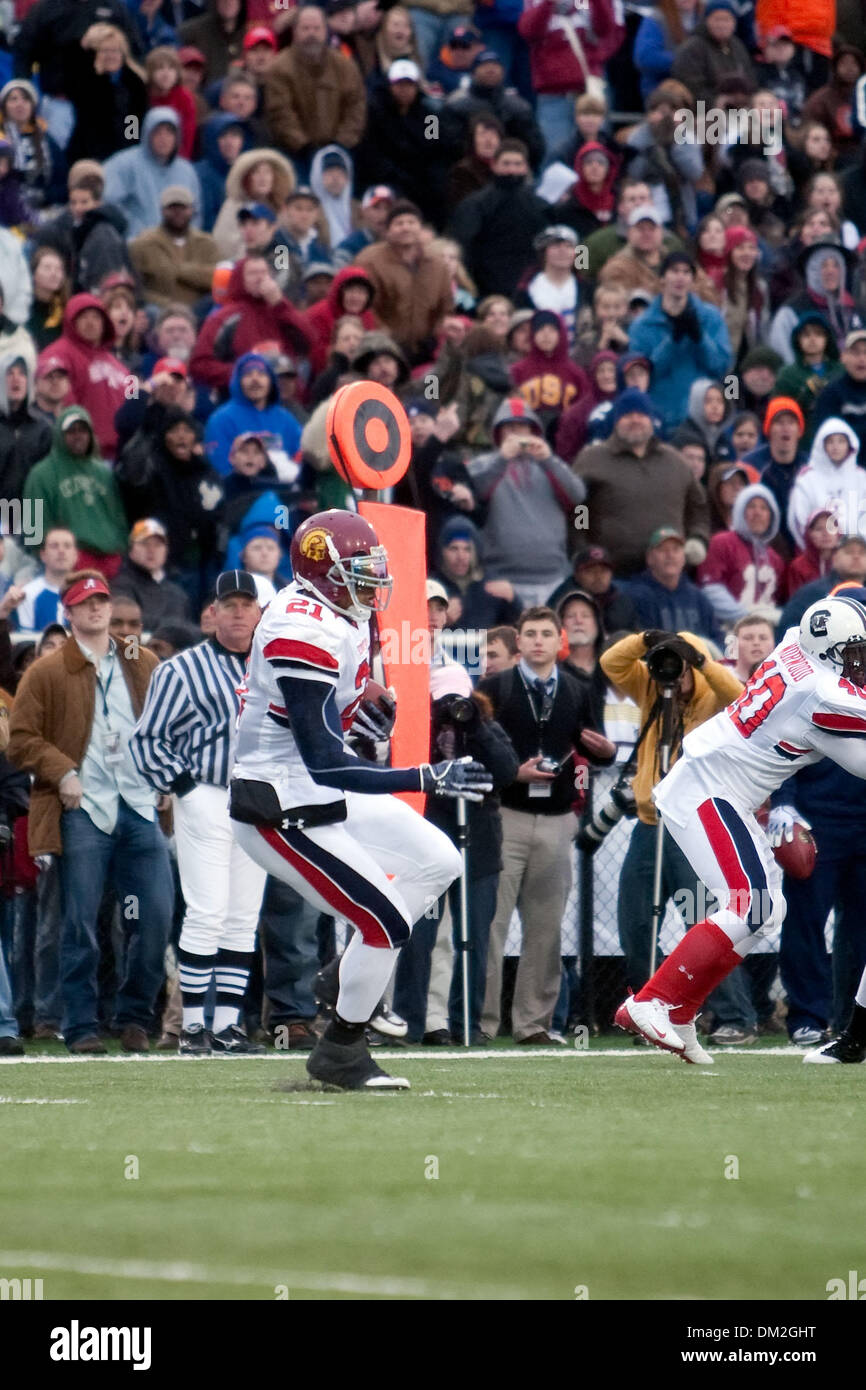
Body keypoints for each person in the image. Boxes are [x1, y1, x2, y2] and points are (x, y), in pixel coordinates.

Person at [227, 509, 492, 1090]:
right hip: (279, 804)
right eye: (359, 571)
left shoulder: (336, 615)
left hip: (315, 787)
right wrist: (424, 776)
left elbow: (331, 728)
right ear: (324, 571)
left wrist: (360, 714)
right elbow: (324, 757)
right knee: (387, 922)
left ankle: (345, 976)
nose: (373, 584)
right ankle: (342, 1051)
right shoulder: (303, 629)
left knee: (440, 860)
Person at [614, 592, 866, 1063]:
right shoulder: (820, 690)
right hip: (708, 790)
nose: (858, 663)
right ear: (830, 650)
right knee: (751, 904)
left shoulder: (795, 642)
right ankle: (651, 1000)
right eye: (853, 653)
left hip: (723, 789)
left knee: (768, 910)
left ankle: (681, 1009)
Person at [8, 570, 173, 1054]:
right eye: (86, 603)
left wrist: (162, 774)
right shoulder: (46, 671)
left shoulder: (141, 661)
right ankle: (80, 1025)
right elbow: (21, 741)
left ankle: (134, 1016)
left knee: (154, 917)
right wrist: (62, 771)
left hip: (140, 805)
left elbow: (164, 727)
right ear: (69, 613)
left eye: (102, 600)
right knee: (79, 922)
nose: (97, 609)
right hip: (84, 809)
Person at [130, 569, 266, 1054]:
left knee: (242, 916)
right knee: (207, 911)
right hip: (206, 791)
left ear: (259, 611)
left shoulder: (272, 668)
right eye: (228, 604)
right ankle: (191, 1028)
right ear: (211, 612)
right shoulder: (180, 670)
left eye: (246, 604)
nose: (238, 612)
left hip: (258, 797)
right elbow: (145, 740)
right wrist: (183, 786)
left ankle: (227, 1027)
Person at [600, 628, 750, 1054]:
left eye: (677, 662)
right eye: (666, 662)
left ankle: (736, 1017)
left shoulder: (711, 697)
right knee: (635, 924)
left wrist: (699, 660)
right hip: (650, 824)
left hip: (694, 827)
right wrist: (647, 640)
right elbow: (611, 663)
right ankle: (651, 1013)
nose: (671, 670)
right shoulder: (651, 688)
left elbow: (739, 693)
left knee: (705, 924)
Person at [478, 605, 615, 1043]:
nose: (537, 641)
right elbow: (475, 752)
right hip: (505, 815)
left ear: (560, 641)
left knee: (545, 928)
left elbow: (591, 745)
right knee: (492, 923)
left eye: (545, 634)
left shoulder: (578, 689)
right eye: (530, 633)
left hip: (557, 820)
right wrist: (512, 773)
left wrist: (608, 753)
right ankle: (479, 1022)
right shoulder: (494, 688)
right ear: (518, 641)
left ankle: (533, 1024)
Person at [572, 389, 710, 576]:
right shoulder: (592, 459)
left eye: (641, 414)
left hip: (667, 577)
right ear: (616, 420)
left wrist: (697, 538)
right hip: (612, 576)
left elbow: (698, 506)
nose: (635, 419)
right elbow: (579, 508)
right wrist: (582, 547)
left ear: (651, 420)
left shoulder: (675, 461)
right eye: (628, 414)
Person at [467, 396, 587, 608]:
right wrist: (501, 459)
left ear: (533, 432)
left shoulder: (550, 464)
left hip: (554, 578)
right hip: (502, 579)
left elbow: (578, 496)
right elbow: (474, 493)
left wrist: (549, 460)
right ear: (498, 433)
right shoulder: (482, 464)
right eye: (509, 427)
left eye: (522, 427)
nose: (516, 434)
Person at [628, 252, 732, 433]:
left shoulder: (710, 317)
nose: (680, 278)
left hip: (701, 420)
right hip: (661, 418)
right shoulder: (642, 325)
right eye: (674, 271)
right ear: (662, 278)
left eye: (686, 272)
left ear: (692, 280)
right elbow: (642, 377)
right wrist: (672, 342)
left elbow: (722, 367)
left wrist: (700, 338)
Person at [23, 406, 128, 579]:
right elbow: (31, 527)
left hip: (110, 561)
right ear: (59, 435)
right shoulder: (41, 474)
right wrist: (45, 558)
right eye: (71, 431)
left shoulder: (105, 472)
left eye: (83, 430)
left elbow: (119, 519)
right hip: (69, 562)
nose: (78, 436)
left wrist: (121, 549)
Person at [188, 255, 310, 394]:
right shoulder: (226, 317)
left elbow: (308, 341)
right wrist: (244, 373)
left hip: (283, 397)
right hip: (239, 395)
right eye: (252, 273)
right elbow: (200, 364)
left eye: (264, 273)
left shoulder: (280, 310)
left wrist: (280, 305)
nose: (260, 278)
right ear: (239, 279)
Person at [449, 140, 552, 300]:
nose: (512, 169)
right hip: (486, 289)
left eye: (518, 164)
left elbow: (552, 245)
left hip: (531, 286)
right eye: (506, 163)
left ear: (526, 167)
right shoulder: (476, 205)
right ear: (494, 165)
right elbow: (463, 245)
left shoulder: (540, 205)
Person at [263, 5, 367, 160]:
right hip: (295, 154)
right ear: (295, 32)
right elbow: (280, 113)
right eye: (305, 28)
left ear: (326, 32)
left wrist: (340, 144)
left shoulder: (345, 66)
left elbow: (356, 107)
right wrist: (303, 146)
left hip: (341, 153)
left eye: (317, 28)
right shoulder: (279, 68)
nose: (311, 34)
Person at [356, 201, 453, 365]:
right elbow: (366, 306)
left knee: (432, 388)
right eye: (399, 223)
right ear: (388, 230)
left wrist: (438, 333)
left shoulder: (437, 264)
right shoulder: (370, 261)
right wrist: (384, 335)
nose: (406, 227)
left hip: (428, 350)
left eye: (411, 222)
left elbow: (446, 306)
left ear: (420, 228)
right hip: (386, 351)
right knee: (392, 390)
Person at [36, 293, 128, 460]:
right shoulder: (58, 354)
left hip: (118, 456)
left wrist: (143, 391)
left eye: (96, 317)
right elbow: (61, 400)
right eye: (83, 317)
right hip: (83, 455)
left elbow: (133, 395)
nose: (91, 322)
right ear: (72, 321)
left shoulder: (117, 363)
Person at [103, 106, 201, 241]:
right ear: (147, 134)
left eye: (169, 133)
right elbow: (106, 201)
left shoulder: (186, 171)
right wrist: (132, 227)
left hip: (178, 247)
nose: (163, 138)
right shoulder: (125, 163)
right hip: (135, 244)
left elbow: (196, 213)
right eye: (157, 132)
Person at [697, 485, 786, 627]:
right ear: (740, 511)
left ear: (772, 515)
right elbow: (711, 589)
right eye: (751, 506)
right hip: (729, 627)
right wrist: (747, 618)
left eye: (764, 508)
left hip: (767, 629)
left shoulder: (775, 559)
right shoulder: (722, 542)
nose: (758, 513)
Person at [626, 526, 723, 647]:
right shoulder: (637, 596)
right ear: (649, 558)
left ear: (683, 558)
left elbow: (718, 637)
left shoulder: (698, 598)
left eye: (676, 549)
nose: (670, 555)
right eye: (662, 550)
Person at [129, 185, 219, 308]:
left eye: (183, 208)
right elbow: (135, 286)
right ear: (162, 210)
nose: (178, 213)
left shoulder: (206, 243)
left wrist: (181, 269)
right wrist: (167, 305)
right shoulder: (144, 243)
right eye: (172, 208)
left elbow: (217, 279)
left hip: (200, 311)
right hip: (159, 311)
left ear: (192, 210)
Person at [14, 527, 77, 634]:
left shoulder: (86, 592)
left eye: (67, 546)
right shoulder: (28, 593)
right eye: (54, 546)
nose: (61, 551)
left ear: (76, 555)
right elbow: (27, 640)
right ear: (43, 555)